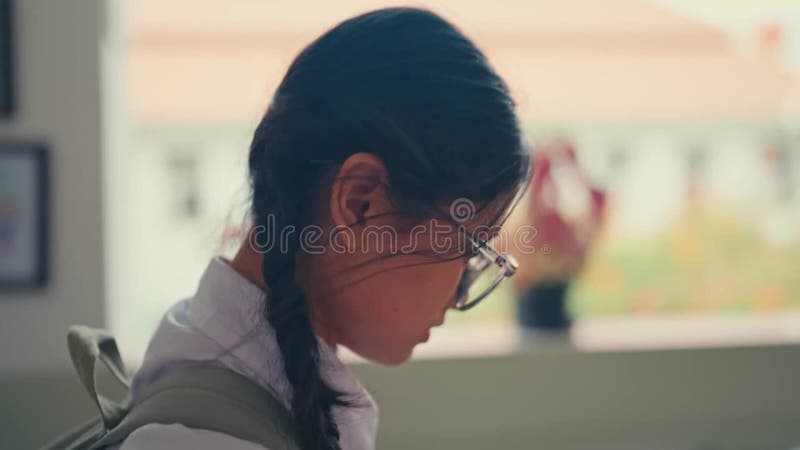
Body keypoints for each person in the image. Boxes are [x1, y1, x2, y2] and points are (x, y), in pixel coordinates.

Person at [114, 7, 530, 450]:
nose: (461, 293)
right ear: (361, 203)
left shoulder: (217, 380)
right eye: (469, 248)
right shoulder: (207, 440)